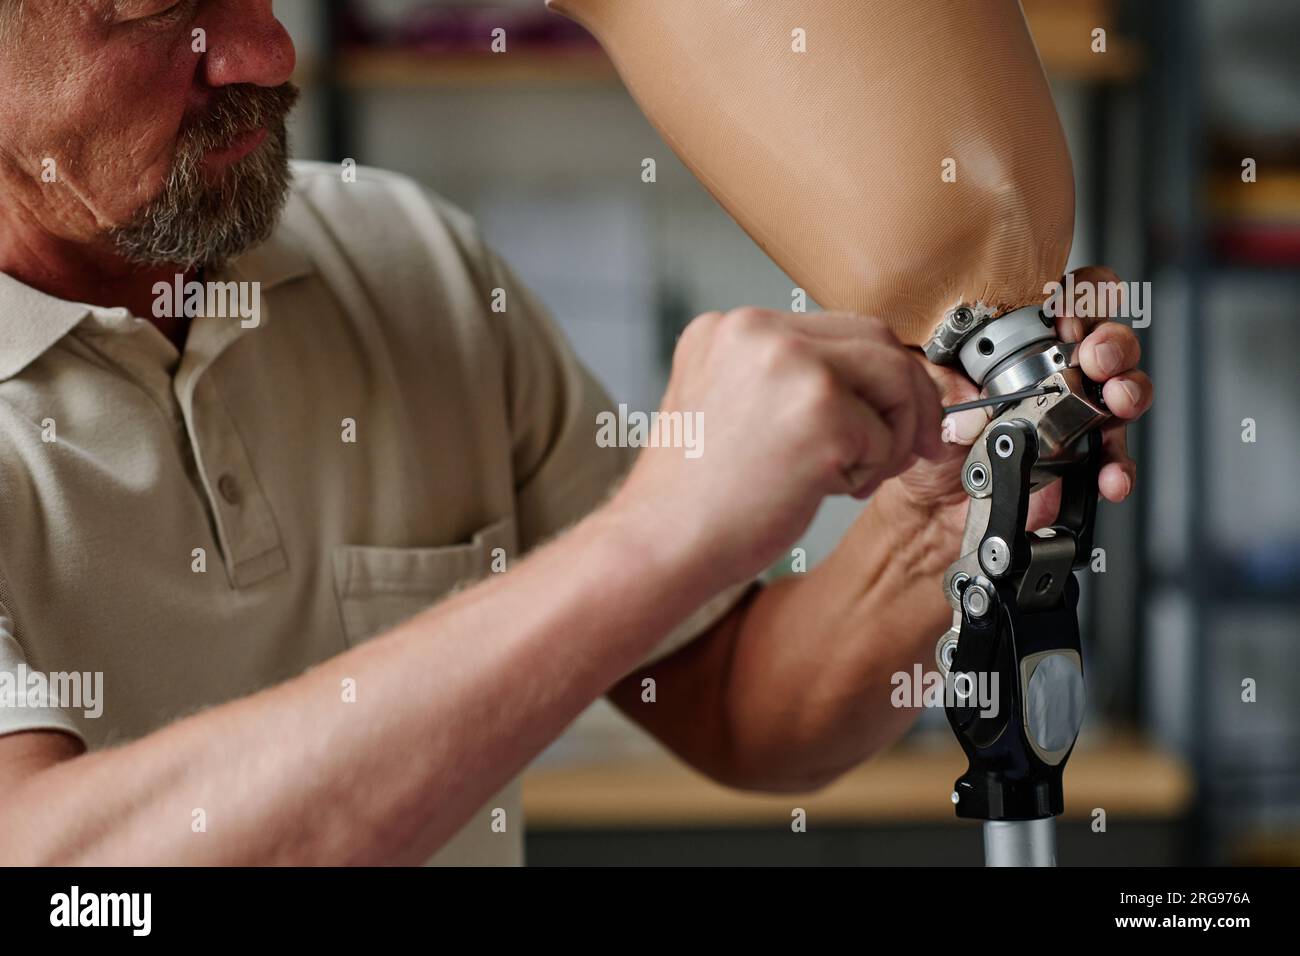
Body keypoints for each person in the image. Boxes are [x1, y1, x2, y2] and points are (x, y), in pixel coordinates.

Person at [0, 0, 1151, 865]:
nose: (264, 51)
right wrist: (653, 535)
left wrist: (943, 522)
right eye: (158, 8)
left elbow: (739, 704)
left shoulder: (406, 261)